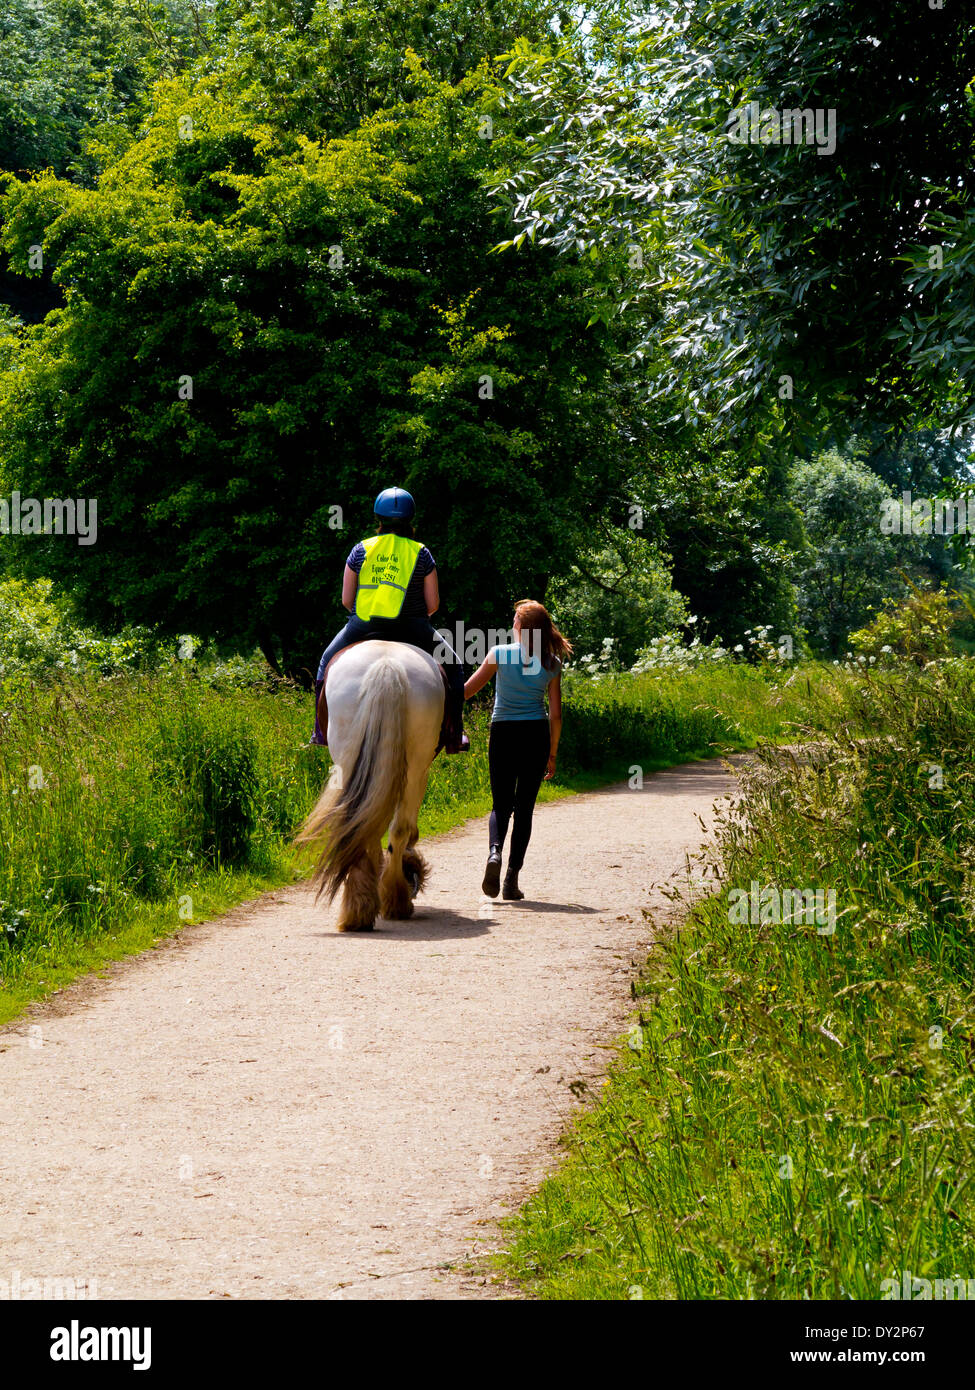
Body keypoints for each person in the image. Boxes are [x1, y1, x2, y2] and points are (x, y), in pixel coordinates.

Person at [311, 487, 468, 753]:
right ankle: (455, 733)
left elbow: (346, 599)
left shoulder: (360, 550)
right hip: (413, 626)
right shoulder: (422, 552)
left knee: (325, 662)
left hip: (363, 625)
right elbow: (434, 604)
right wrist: (417, 618)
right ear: (410, 520)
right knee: (455, 667)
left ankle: (319, 730)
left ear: (378, 520)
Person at [464, 600, 571, 900]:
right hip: (535, 736)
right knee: (524, 809)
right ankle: (511, 879)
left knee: (501, 806)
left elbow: (467, 691)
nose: (512, 624)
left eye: (514, 620)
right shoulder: (552, 664)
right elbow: (556, 715)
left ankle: (494, 853)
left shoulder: (499, 654)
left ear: (521, 628)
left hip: (503, 733)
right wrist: (552, 753)